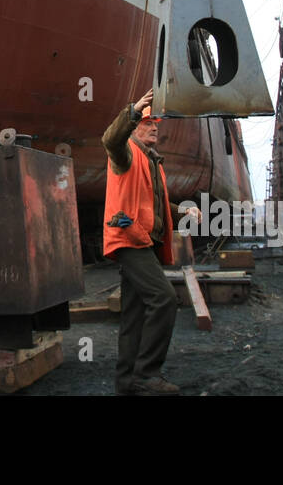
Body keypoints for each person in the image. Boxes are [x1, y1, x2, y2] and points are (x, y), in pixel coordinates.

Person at [101, 86, 197, 395]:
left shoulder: (153, 162)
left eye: (155, 122)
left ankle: (126, 382)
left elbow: (157, 205)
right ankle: (147, 374)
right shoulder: (126, 154)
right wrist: (132, 111)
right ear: (134, 127)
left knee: (135, 313)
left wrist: (184, 212)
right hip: (129, 238)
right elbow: (110, 140)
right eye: (147, 122)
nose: (154, 126)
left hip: (144, 241)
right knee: (164, 298)